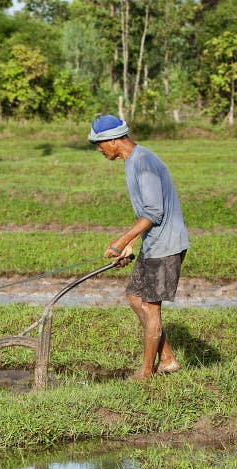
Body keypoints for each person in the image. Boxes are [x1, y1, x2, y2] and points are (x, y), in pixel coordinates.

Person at [87, 114, 190, 380]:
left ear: (112, 140)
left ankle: (145, 373)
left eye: (99, 143)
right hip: (154, 243)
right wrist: (130, 245)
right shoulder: (133, 160)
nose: (98, 149)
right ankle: (166, 358)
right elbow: (147, 211)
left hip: (166, 245)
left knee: (151, 307)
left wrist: (120, 241)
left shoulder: (142, 163)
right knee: (135, 297)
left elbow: (154, 212)